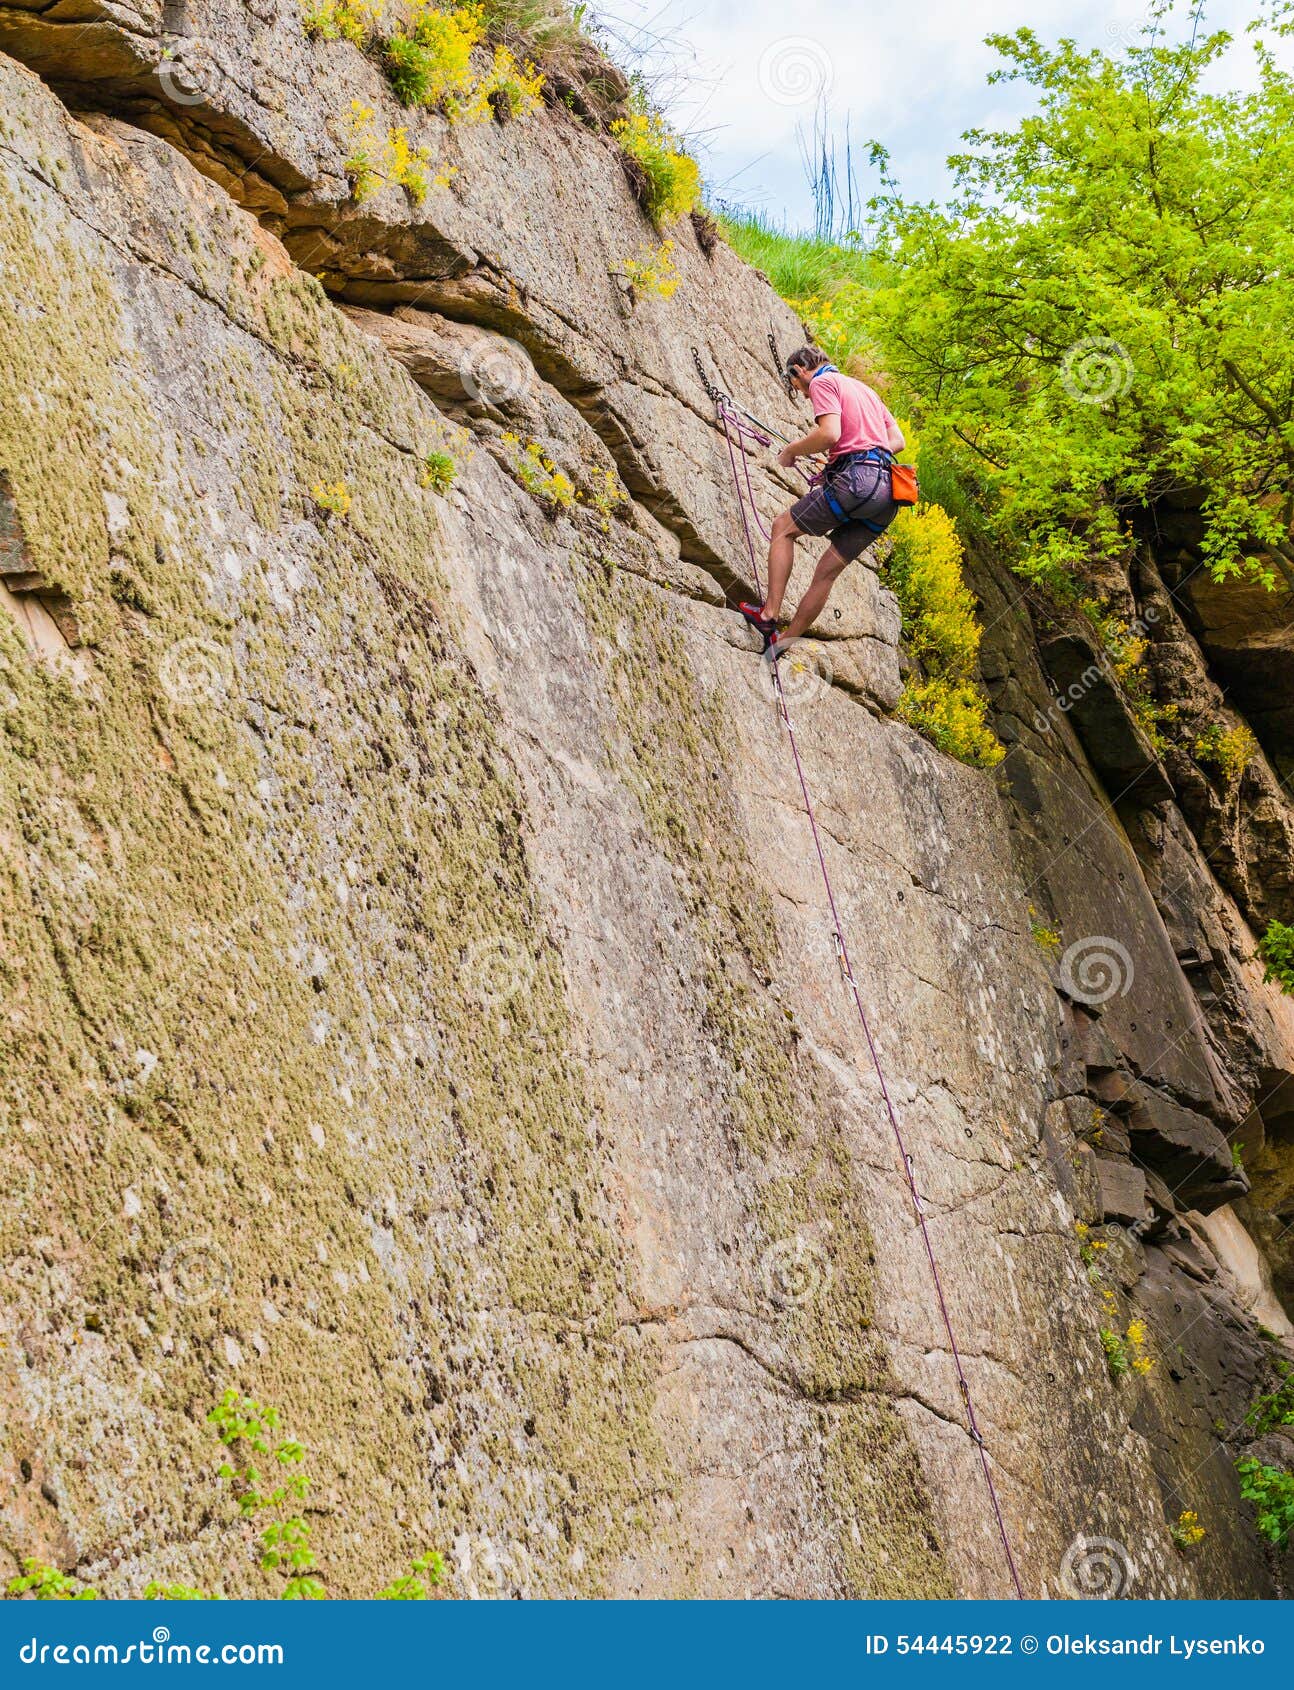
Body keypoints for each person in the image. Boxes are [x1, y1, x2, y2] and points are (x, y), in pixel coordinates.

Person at [740, 347, 906, 659]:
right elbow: (897, 441)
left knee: (782, 529)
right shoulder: (867, 391)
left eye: (797, 386)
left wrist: (792, 451)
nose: (804, 395)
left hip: (858, 482)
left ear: (800, 370)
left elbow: (830, 433)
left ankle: (768, 616)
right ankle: (783, 643)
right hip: (887, 493)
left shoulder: (822, 382)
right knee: (826, 574)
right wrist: (853, 452)